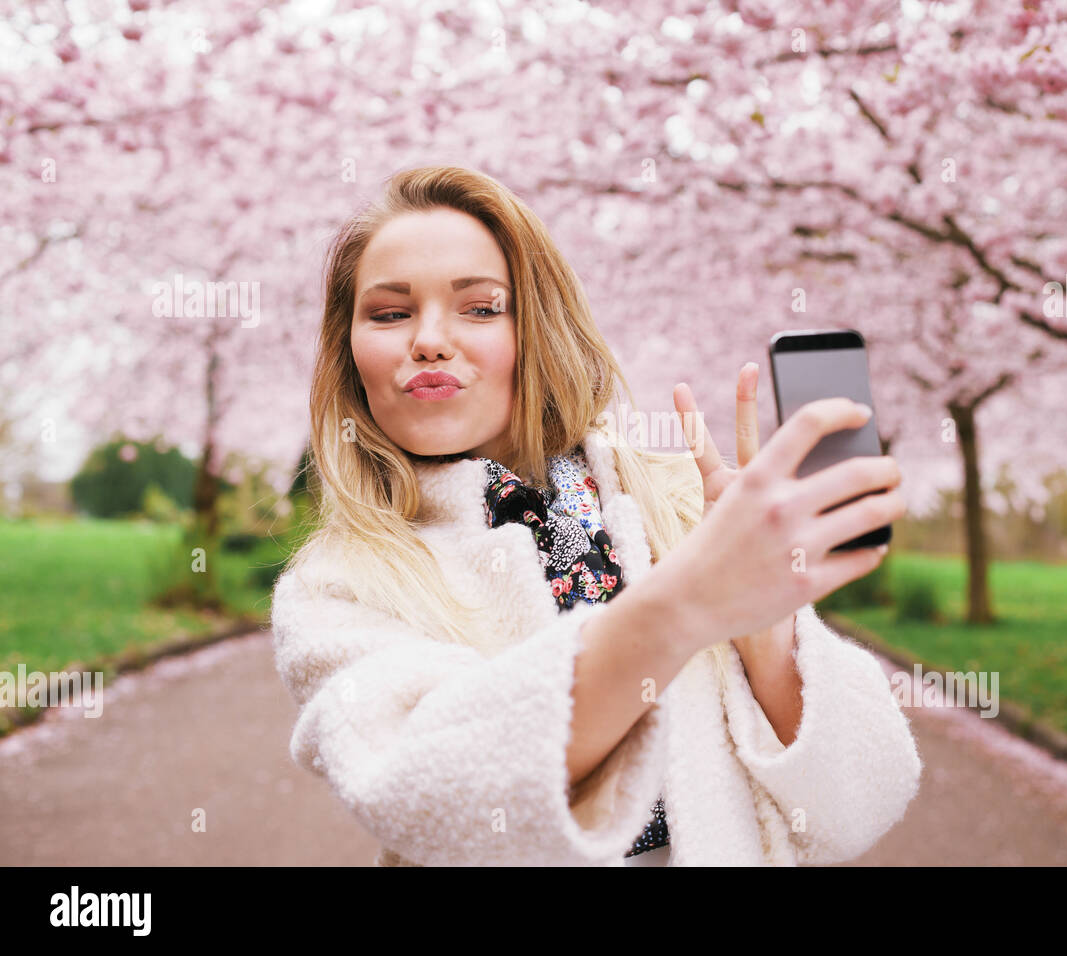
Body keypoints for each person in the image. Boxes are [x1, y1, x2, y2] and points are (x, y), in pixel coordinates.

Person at [270, 164, 922, 867]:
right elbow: (437, 792)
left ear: (538, 328)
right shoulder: (336, 585)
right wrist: (687, 605)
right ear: (350, 350)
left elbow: (861, 804)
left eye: (482, 307)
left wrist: (767, 626)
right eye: (390, 313)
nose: (428, 339)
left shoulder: (678, 505)